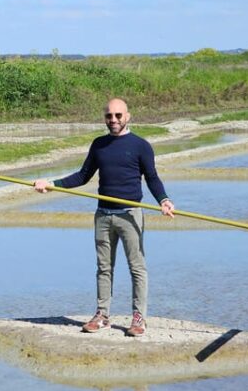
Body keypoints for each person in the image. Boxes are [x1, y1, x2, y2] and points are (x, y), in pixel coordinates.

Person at [33, 98, 174, 336]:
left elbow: (152, 177)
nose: (114, 120)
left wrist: (164, 200)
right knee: (104, 268)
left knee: (137, 268)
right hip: (103, 215)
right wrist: (51, 184)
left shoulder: (141, 145)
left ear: (128, 116)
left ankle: (138, 318)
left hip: (130, 215)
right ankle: (102, 315)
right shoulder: (99, 145)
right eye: (109, 116)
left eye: (118, 115)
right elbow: (82, 176)